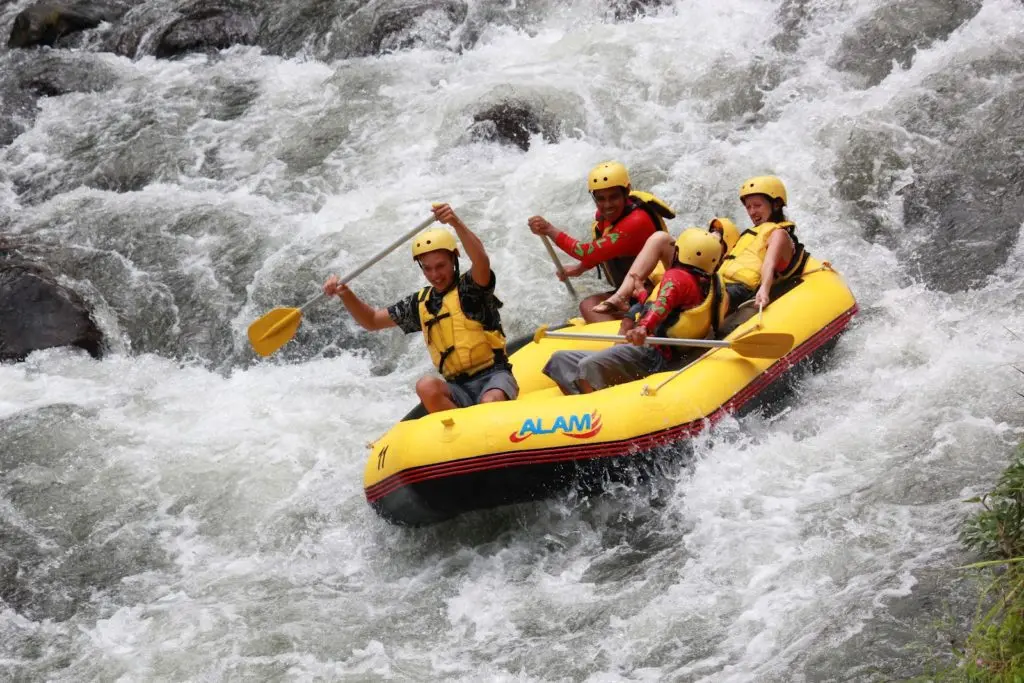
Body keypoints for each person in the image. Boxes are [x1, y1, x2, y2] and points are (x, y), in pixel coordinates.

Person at [322, 204, 518, 413]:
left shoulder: (471, 288)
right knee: (425, 386)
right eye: (428, 268)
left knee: (490, 400)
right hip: (458, 387)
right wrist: (345, 293)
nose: (435, 275)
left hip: (494, 376)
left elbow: (481, 259)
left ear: (453, 259)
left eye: (440, 265)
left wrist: (454, 222)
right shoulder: (420, 303)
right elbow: (371, 321)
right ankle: (461, 436)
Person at [542, 229, 728, 394]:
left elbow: (661, 305)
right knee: (560, 360)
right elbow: (669, 307)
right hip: (653, 348)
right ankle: (581, 402)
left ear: (681, 252)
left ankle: (593, 412)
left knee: (586, 366)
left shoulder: (677, 277)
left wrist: (644, 328)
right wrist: (641, 294)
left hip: (654, 355)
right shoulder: (707, 282)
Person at [527, 161, 675, 323]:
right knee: (589, 305)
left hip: (654, 289)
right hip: (631, 289)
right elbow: (605, 249)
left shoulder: (636, 221)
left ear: (626, 192)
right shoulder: (611, 217)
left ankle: (629, 336)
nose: (607, 205)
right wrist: (580, 269)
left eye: (613, 197)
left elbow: (586, 251)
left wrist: (549, 229)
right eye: (601, 199)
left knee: (588, 307)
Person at [592, 217, 740, 316]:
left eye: (717, 238)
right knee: (660, 238)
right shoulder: (685, 256)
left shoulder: (727, 269)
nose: (709, 241)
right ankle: (620, 297)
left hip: (696, 293)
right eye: (710, 233)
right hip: (664, 293)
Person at [719, 176, 809, 312]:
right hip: (720, 283)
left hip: (742, 290)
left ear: (776, 205)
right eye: (748, 207)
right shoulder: (749, 235)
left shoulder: (779, 234)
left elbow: (769, 263)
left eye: (757, 205)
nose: (752, 212)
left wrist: (764, 290)